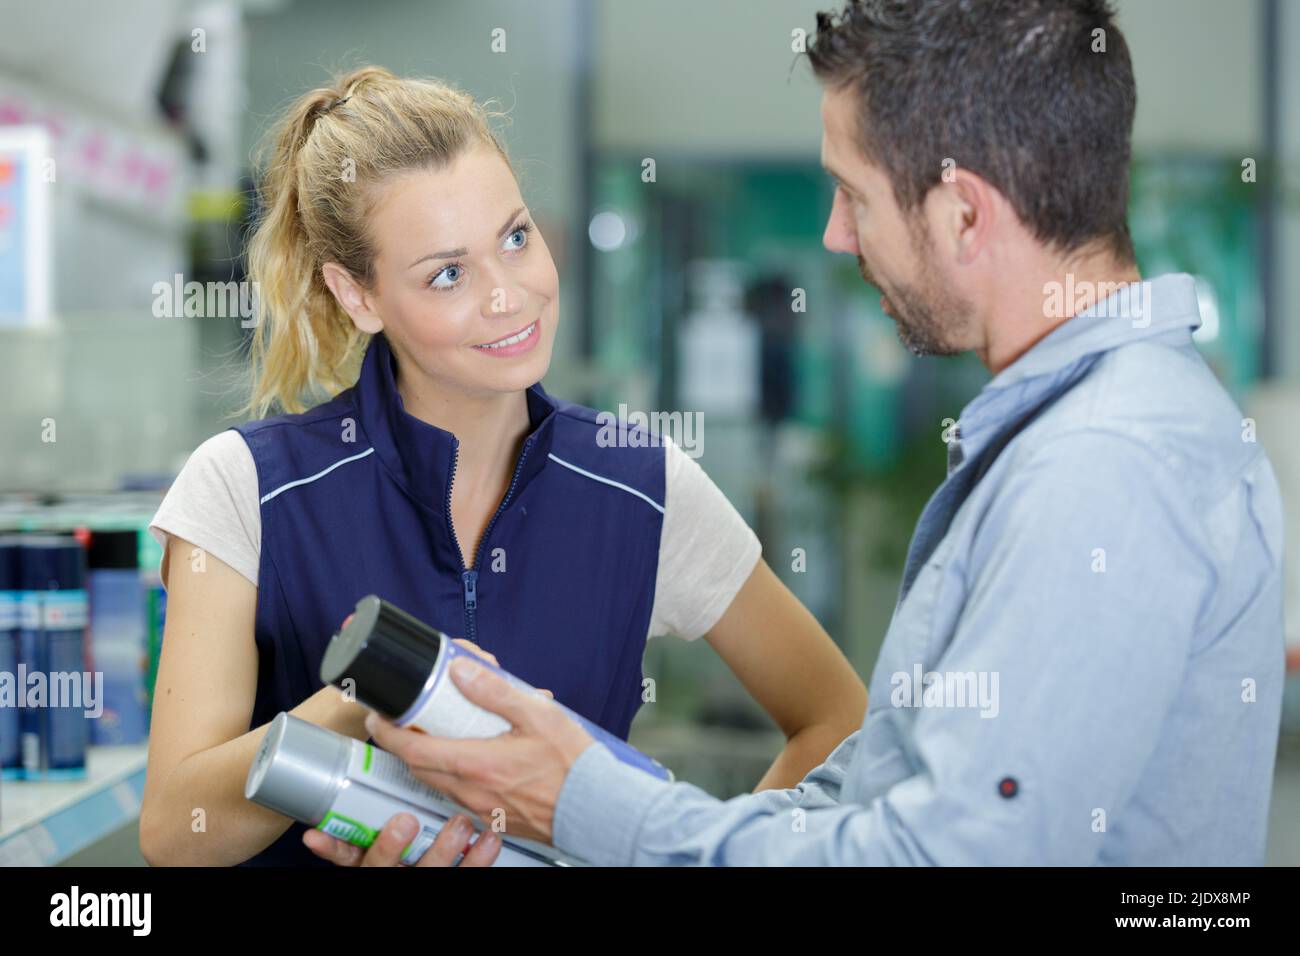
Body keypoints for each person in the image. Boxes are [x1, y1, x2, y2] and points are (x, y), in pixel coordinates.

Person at [322, 0, 1285, 867]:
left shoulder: (1101, 469)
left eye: (852, 193)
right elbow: (878, 795)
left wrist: (583, 801)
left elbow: (932, 860)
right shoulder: (1071, 439)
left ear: (961, 214)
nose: (834, 233)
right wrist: (577, 804)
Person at [138, 66, 867, 866]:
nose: (507, 297)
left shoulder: (641, 484)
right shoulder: (246, 488)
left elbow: (839, 723)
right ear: (358, 296)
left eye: (515, 238)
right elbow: (177, 831)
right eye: (448, 273)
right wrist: (365, 695)